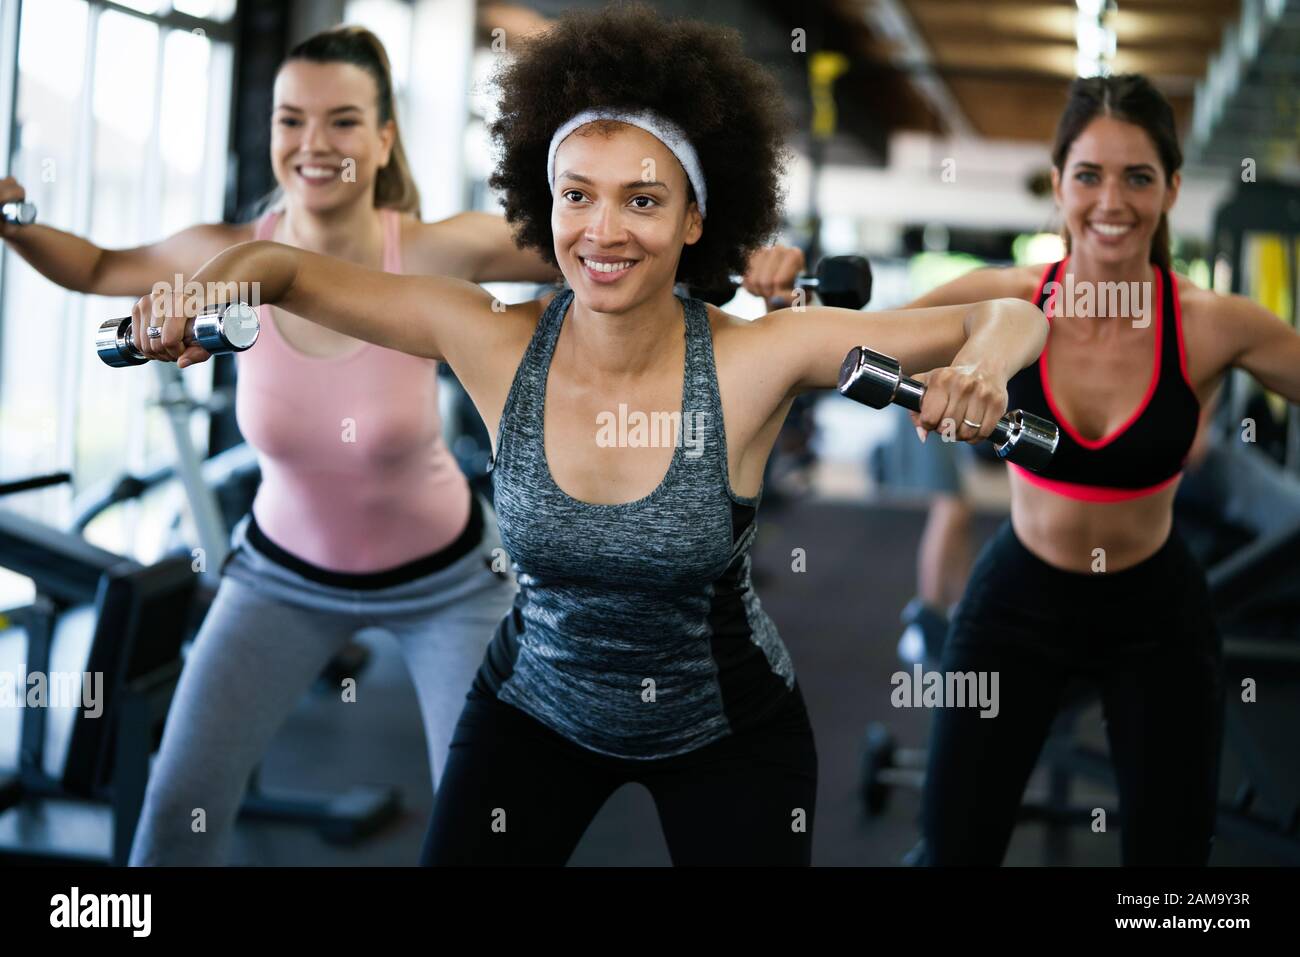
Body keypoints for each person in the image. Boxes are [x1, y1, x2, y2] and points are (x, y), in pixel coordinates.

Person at [137, 3, 1047, 866]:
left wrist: (984, 370)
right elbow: (287, 272)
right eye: (578, 196)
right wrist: (207, 285)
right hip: (533, 711)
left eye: (643, 202)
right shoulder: (491, 340)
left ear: (696, 218)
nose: (603, 231)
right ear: (549, 207)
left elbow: (1006, 312)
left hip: (724, 728)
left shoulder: (759, 356)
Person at [3, 25, 561, 866]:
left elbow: (588, 244)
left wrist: (739, 258)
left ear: (382, 140)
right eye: (290, 119)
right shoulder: (219, 258)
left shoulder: (435, 249)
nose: (313, 144)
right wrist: (11, 218)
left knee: (492, 825)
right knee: (173, 816)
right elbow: (93, 268)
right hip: (277, 578)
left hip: (449, 584)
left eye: (343, 121)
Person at [905, 74, 1300, 865]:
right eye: (1088, 175)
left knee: (1169, 873)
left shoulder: (1212, 324)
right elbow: (836, 338)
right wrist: (782, 292)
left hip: (1156, 617)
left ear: (1172, 189)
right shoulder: (1006, 297)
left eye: (1138, 176)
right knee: (950, 851)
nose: (1110, 199)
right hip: (1017, 601)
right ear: (1058, 185)